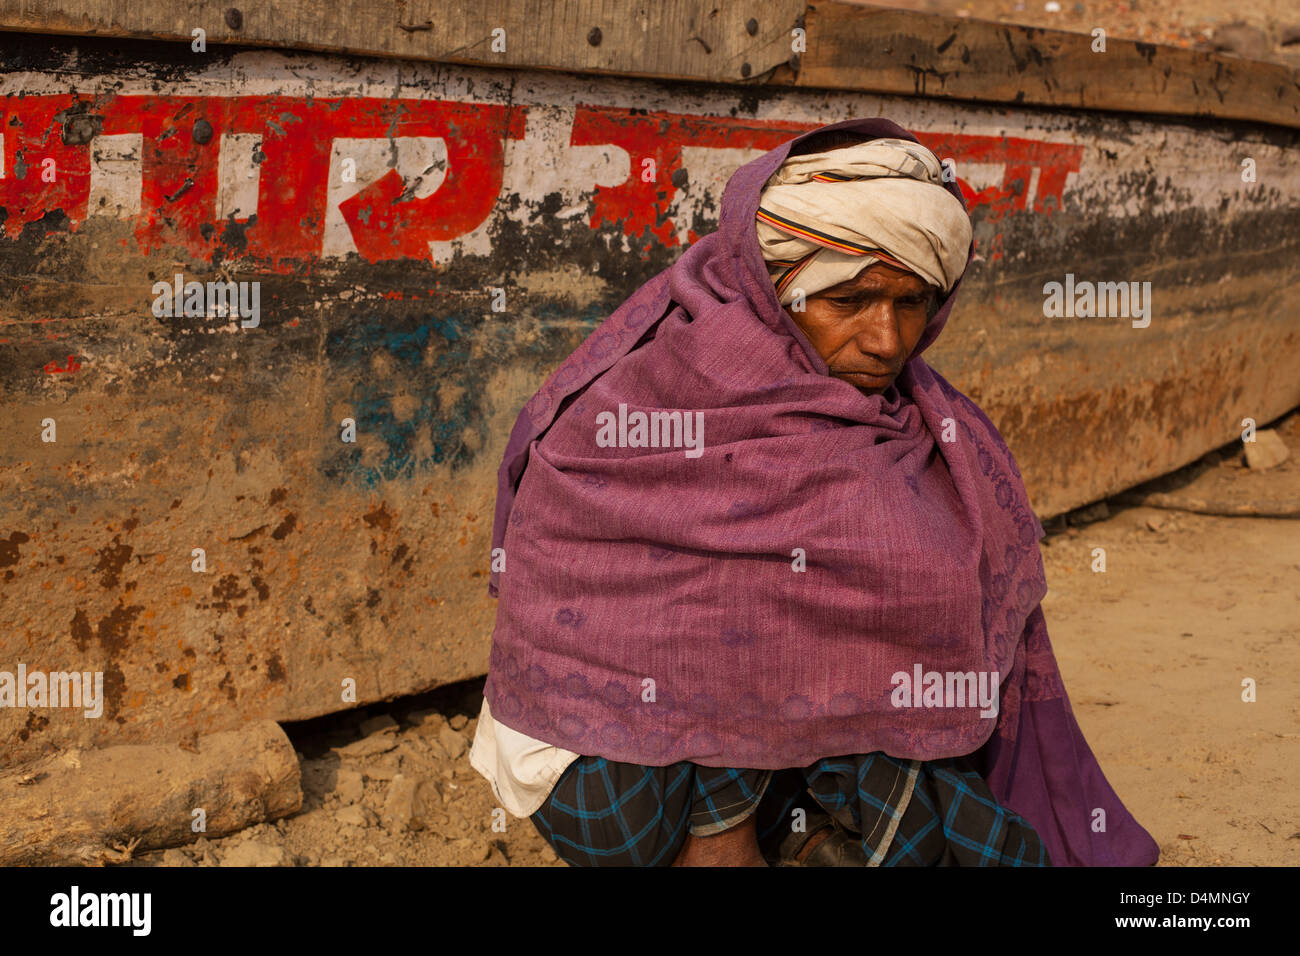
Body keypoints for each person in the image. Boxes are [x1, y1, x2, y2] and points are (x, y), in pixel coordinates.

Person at [469, 117, 1159, 868]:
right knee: (757, 612)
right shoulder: (642, 401)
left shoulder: (922, 422)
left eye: (911, 303)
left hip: (796, 753)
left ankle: (802, 831)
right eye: (850, 302)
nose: (887, 341)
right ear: (775, 292)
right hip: (614, 780)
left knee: (920, 806)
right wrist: (718, 833)